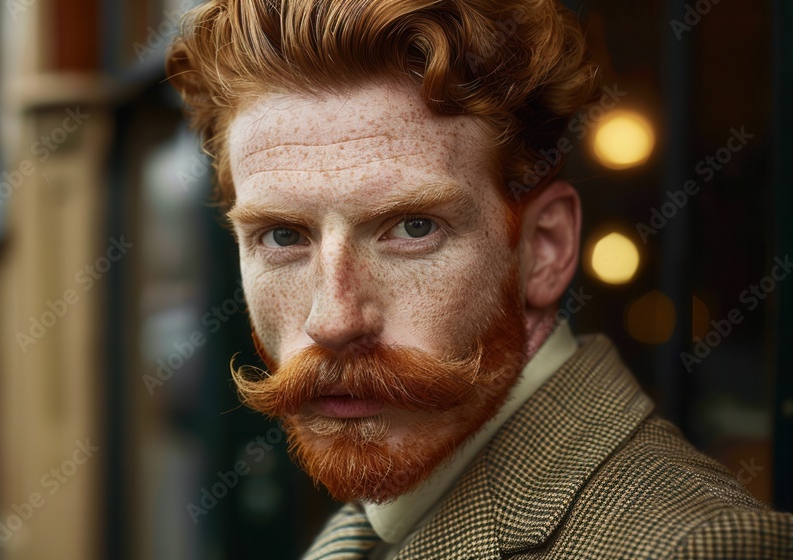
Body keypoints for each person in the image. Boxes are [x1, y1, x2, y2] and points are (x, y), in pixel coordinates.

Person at [166, 0, 793, 557]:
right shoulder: (389, 517)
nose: (332, 320)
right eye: (282, 236)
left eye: (412, 228)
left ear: (545, 249)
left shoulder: (694, 547)